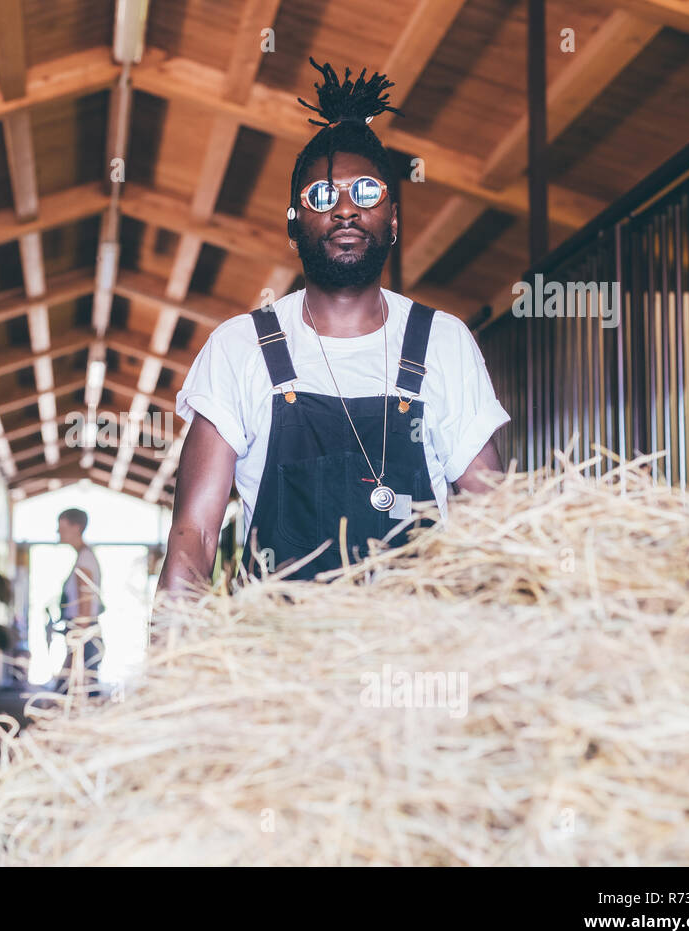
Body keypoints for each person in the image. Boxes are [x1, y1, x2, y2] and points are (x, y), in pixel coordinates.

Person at [159, 61, 509, 593]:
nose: (345, 209)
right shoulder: (240, 346)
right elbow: (195, 534)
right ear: (293, 225)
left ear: (393, 219)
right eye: (321, 197)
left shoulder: (442, 340)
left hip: (413, 654)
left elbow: (492, 516)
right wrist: (171, 660)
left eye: (366, 193)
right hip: (280, 657)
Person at [55, 508, 104, 692]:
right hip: (84, 633)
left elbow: (85, 604)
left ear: (77, 527)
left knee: (71, 691)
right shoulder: (84, 557)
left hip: (83, 634)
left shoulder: (85, 560)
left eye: (62, 526)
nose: (58, 531)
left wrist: (77, 646)